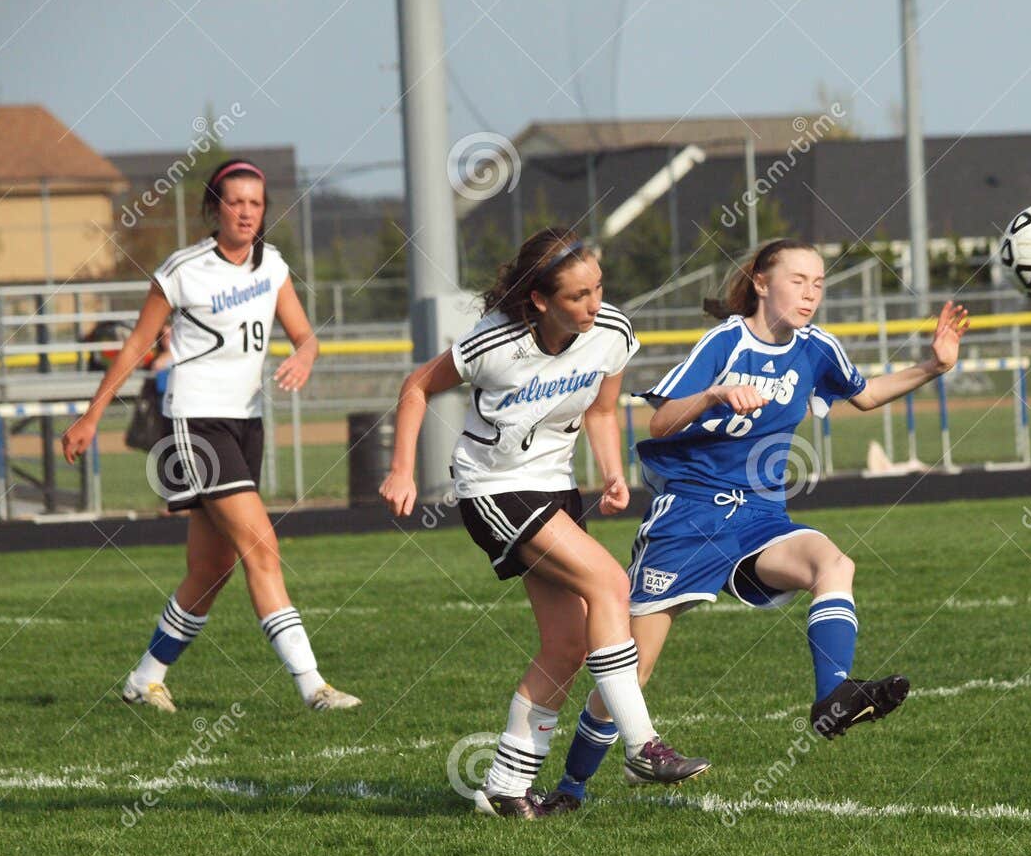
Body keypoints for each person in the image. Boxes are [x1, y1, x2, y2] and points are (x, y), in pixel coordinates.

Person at [545, 238, 968, 810]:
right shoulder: (725, 342)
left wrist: (933, 366)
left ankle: (832, 697)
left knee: (833, 563)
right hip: (690, 517)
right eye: (798, 280)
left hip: (762, 514)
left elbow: (864, 397)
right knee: (631, 672)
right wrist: (715, 393)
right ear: (763, 283)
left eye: (819, 283)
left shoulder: (817, 348)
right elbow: (663, 418)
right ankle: (571, 787)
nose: (811, 293)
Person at [379, 227, 709, 819]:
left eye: (598, 288)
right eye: (578, 295)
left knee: (568, 644)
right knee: (610, 584)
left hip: (554, 487)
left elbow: (604, 410)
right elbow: (416, 387)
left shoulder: (611, 331)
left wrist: (611, 472)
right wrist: (402, 469)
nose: (594, 304)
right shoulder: (493, 343)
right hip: (492, 489)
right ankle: (641, 747)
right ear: (539, 300)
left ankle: (506, 787)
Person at [62, 157, 359, 713]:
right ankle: (313, 687)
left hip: (246, 423)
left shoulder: (272, 266)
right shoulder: (184, 268)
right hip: (194, 423)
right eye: (235, 202)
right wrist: (91, 415)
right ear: (214, 209)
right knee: (262, 549)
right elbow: (135, 347)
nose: (247, 212)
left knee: (210, 569)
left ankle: (144, 679)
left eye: (256, 203)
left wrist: (305, 355)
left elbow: (305, 336)